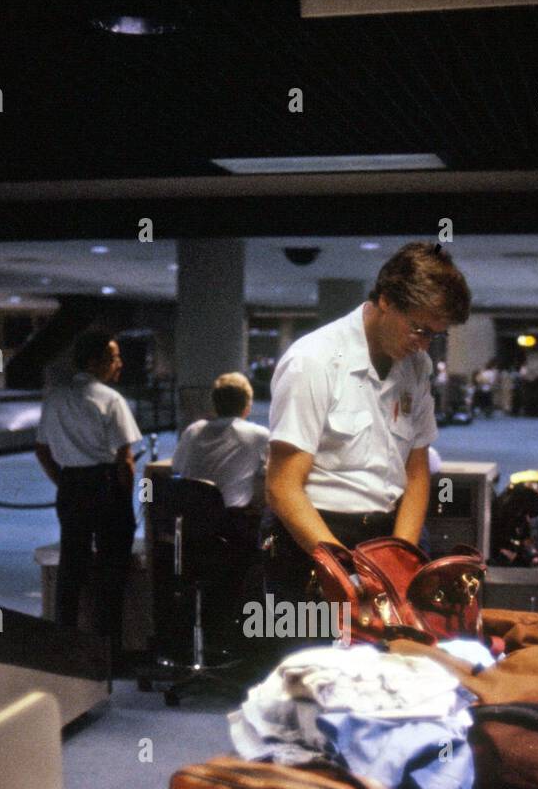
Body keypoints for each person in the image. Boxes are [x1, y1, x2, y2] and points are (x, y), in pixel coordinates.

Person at [264, 242, 471, 605]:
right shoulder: (313, 360)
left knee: (394, 660)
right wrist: (344, 573)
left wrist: (399, 558)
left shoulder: (416, 366)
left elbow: (417, 471)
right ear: (387, 301)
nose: (423, 345)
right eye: (419, 329)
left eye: (434, 335)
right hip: (315, 539)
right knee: (312, 660)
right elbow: (282, 487)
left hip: (387, 536)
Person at [35, 330, 141, 668]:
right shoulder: (110, 400)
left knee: (72, 566)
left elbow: (41, 449)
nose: (119, 363)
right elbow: (125, 457)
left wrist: (64, 479)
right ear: (94, 362)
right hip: (106, 483)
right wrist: (124, 496)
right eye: (114, 357)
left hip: (72, 484)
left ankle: (64, 647)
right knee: (112, 570)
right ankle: (109, 652)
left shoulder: (54, 398)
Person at [173, 371, 268, 535]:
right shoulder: (258, 435)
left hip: (192, 524)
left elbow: (176, 468)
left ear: (214, 404)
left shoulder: (193, 431)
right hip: (233, 526)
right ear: (247, 406)